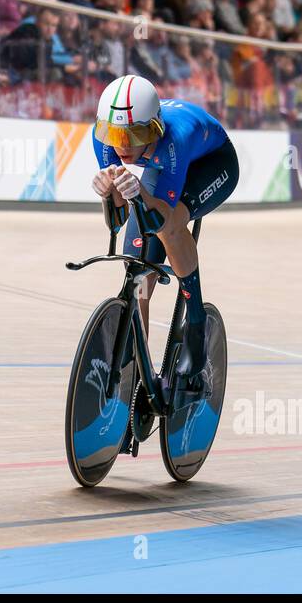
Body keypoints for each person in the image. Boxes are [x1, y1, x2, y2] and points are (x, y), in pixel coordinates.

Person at [90, 75, 238, 406]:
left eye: (135, 135)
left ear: (154, 128)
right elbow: (118, 223)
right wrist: (108, 195)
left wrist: (137, 191)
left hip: (210, 164)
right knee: (138, 271)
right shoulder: (102, 139)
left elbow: (163, 219)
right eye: (116, 136)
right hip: (163, 167)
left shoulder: (174, 139)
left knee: (169, 229)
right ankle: (140, 368)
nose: (123, 146)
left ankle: (196, 324)